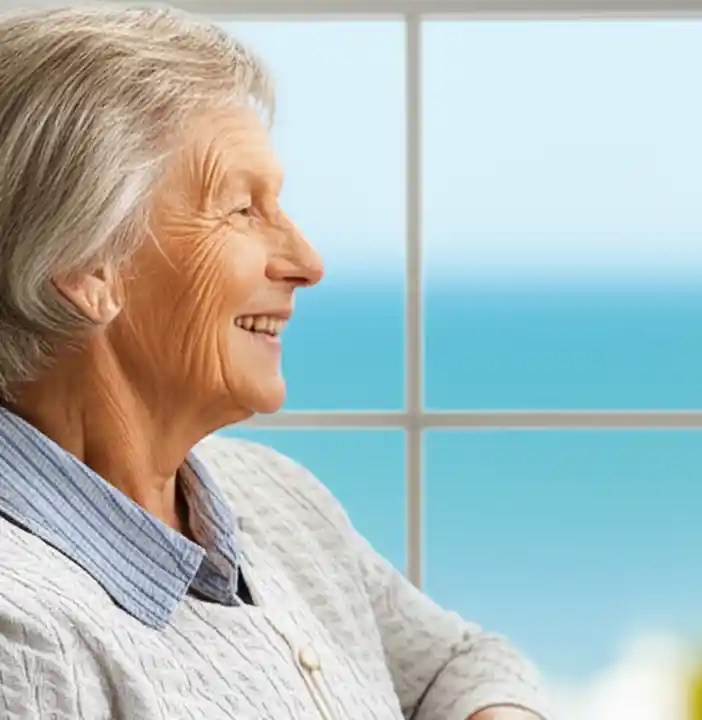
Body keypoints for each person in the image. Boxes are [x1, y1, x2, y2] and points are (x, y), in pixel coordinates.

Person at [0, 6, 547, 720]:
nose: (307, 263)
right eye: (241, 211)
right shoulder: (26, 640)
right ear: (87, 265)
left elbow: (460, 662)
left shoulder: (274, 501)